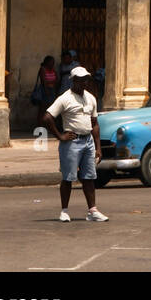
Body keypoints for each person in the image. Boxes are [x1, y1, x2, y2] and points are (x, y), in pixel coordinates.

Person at [42, 66, 108, 223]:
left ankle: (93, 210)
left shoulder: (90, 98)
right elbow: (47, 117)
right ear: (73, 81)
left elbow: (95, 123)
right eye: (80, 80)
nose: (84, 83)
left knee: (89, 177)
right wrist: (60, 136)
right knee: (68, 177)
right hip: (72, 142)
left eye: (86, 79)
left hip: (88, 141)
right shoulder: (65, 98)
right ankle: (64, 211)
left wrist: (98, 147)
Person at [31, 55, 59, 127]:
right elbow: (44, 81)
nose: (52, 63)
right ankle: (40, 126)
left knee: (50, 110)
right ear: (46, 62)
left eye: (53, 62)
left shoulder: (53, 70)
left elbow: (56, 79)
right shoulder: (43, 69)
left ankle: (47, 125)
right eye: (51, 62)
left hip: (52, 90)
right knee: (42, 110)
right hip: (45, 90)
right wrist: (47, 90)